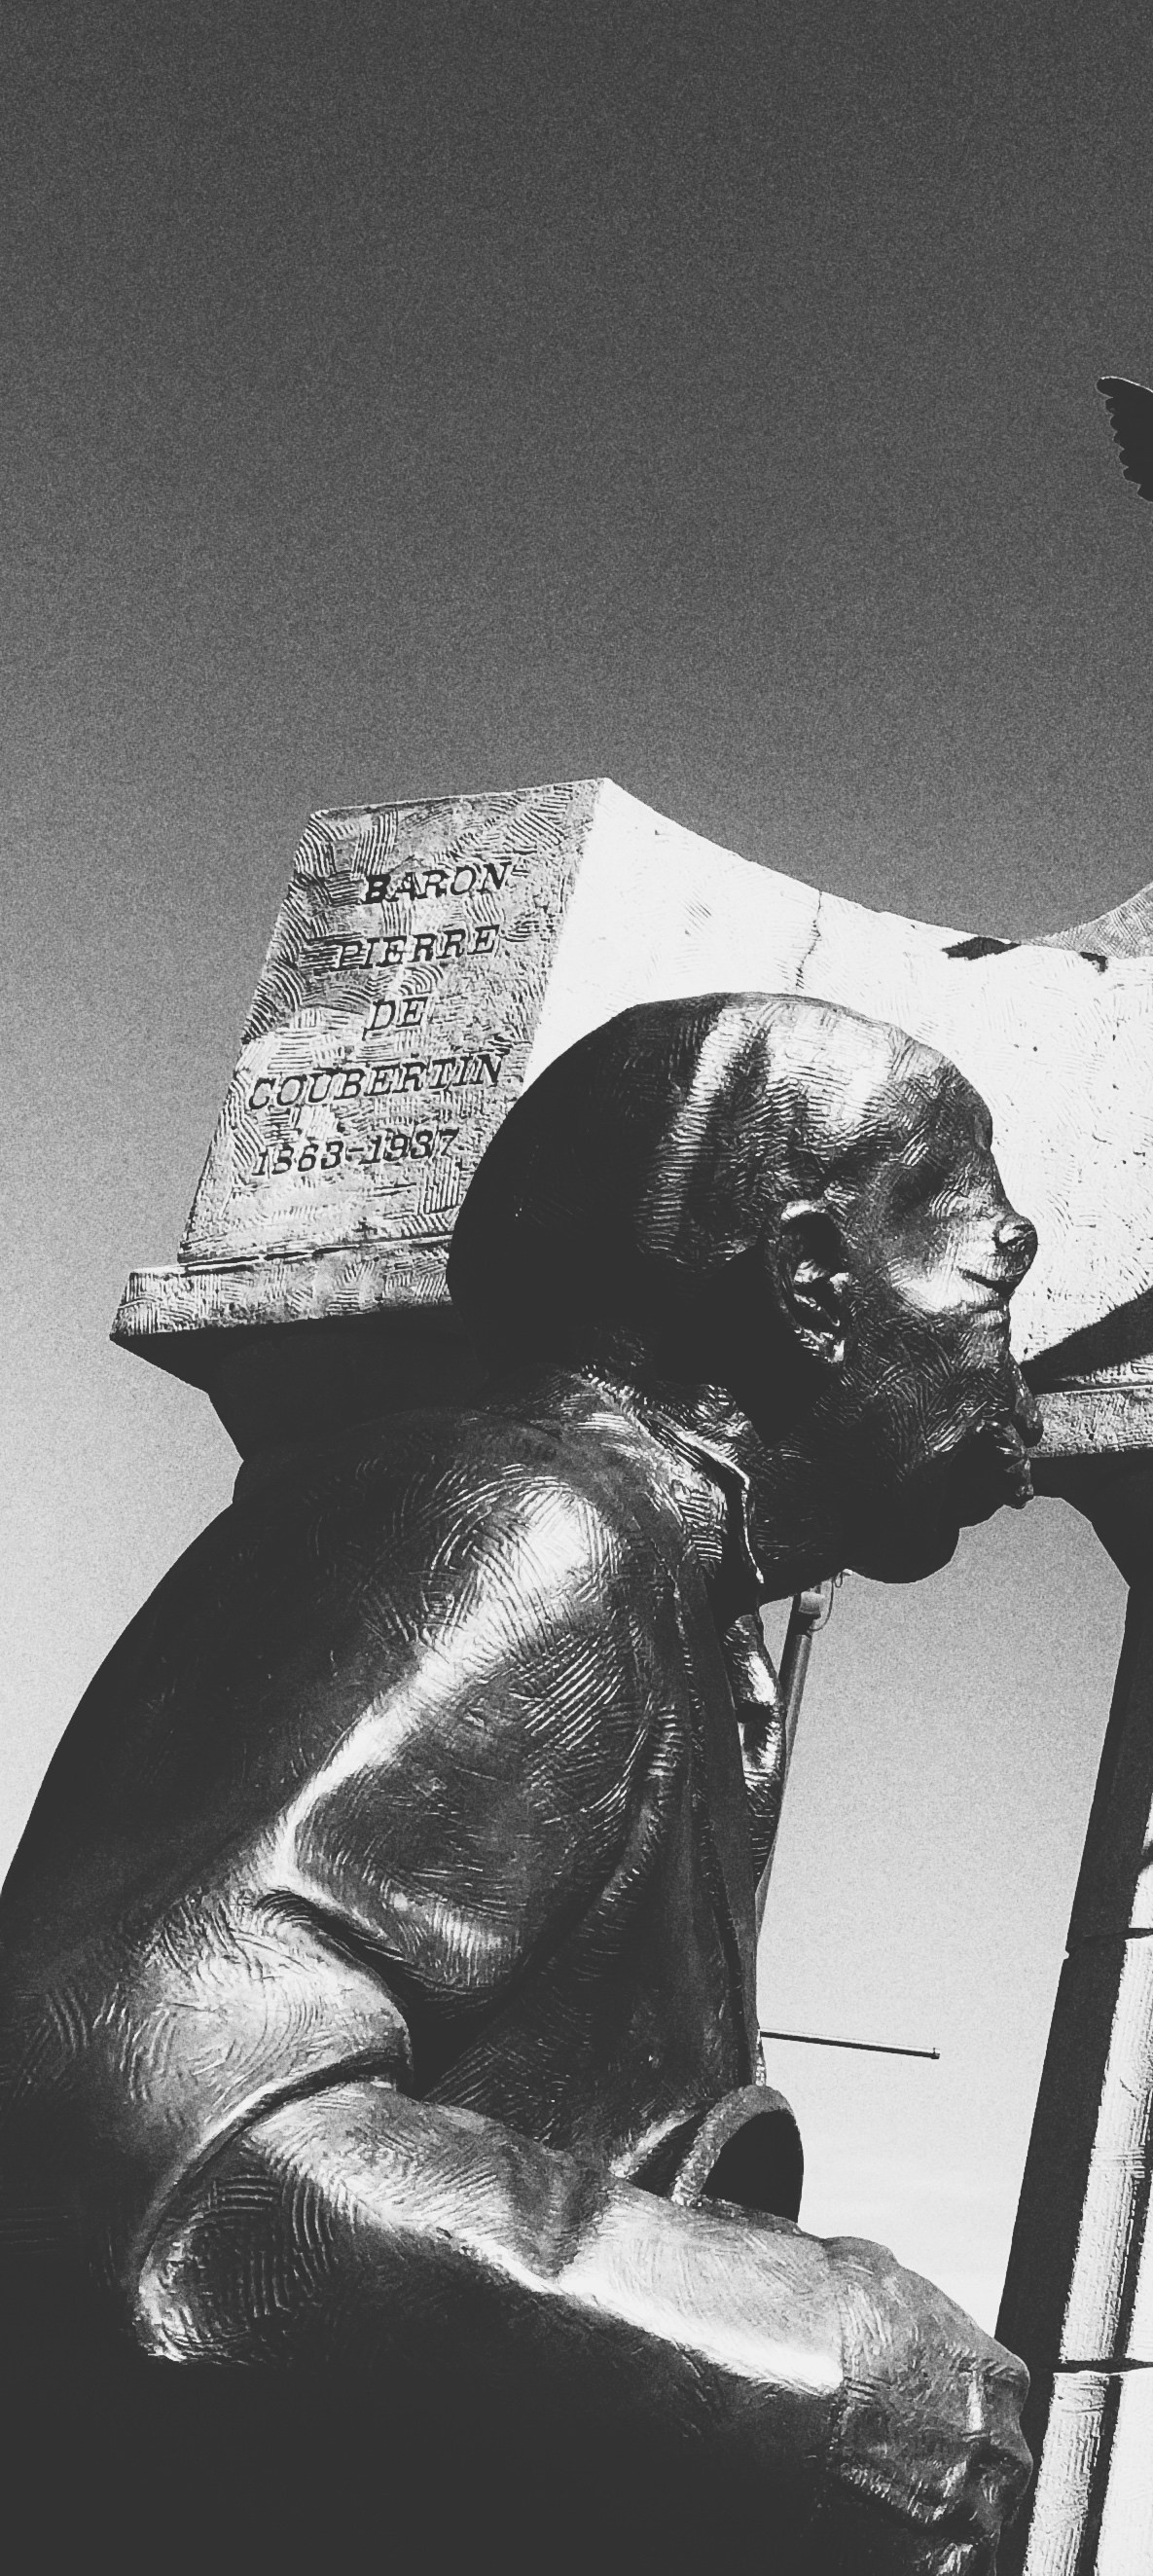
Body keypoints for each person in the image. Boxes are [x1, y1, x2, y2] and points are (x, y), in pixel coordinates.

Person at [0, 994, 1047, 2574]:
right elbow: (135, 2133)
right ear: (815, 1287)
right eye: (990, 1268)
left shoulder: (679, 1614)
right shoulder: (525, 1525)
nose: (1015, 1371)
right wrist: (822, 2373)